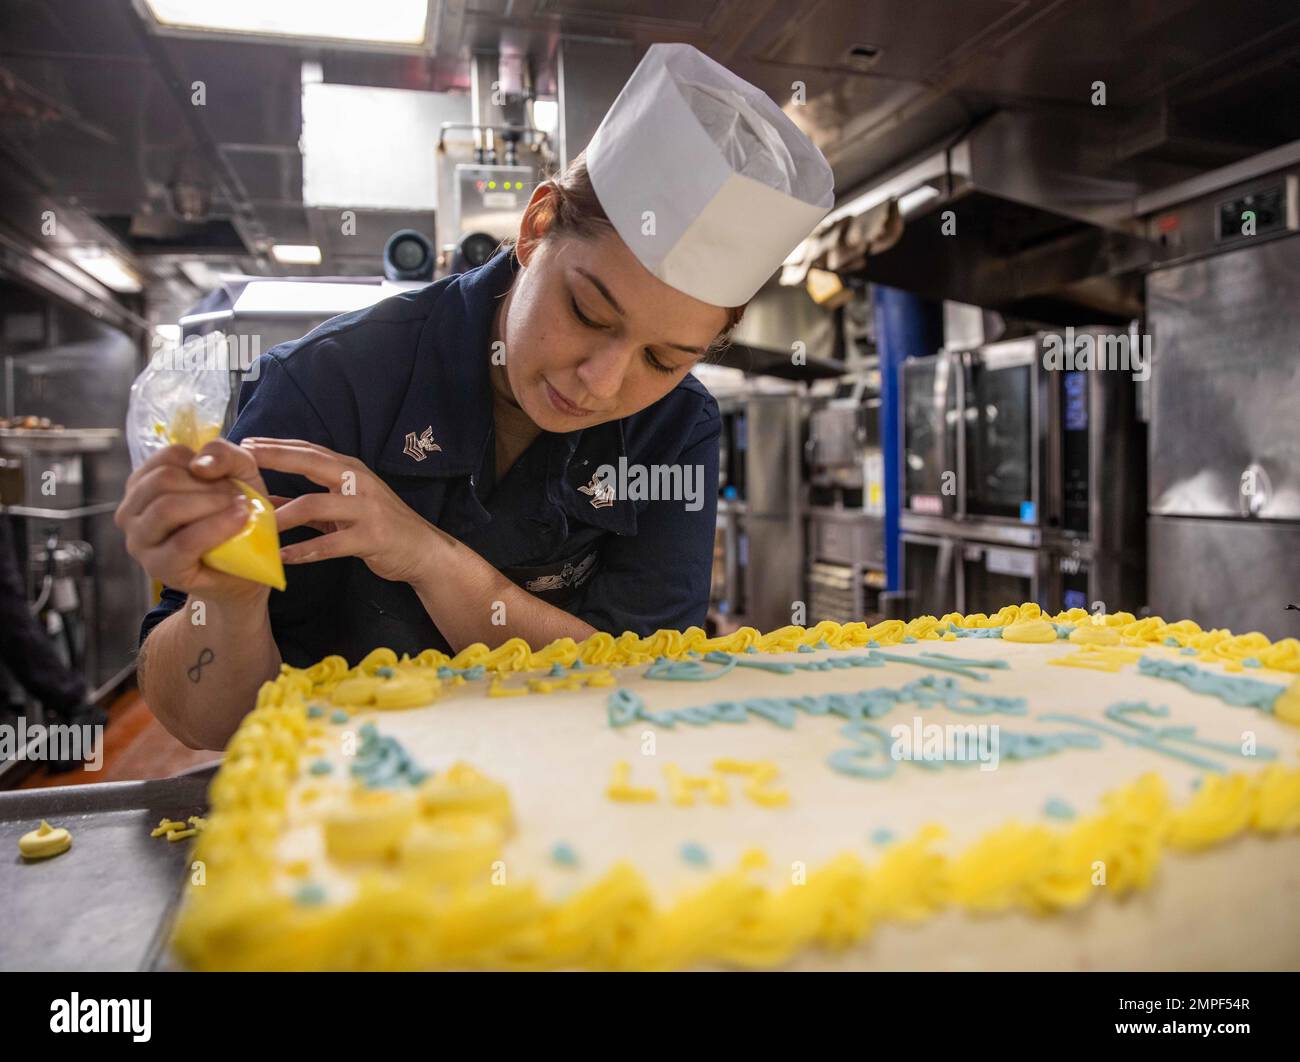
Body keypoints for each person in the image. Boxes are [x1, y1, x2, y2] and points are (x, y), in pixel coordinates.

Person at [114, 44, 834, 749]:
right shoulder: (331, 384)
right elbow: (206, 723)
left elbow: (644, 680)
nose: (602, 382)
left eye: (663, 358)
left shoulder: (673, 431)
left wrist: (430, 558)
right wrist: (227, 597)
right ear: (536, 227)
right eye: (587, 313)